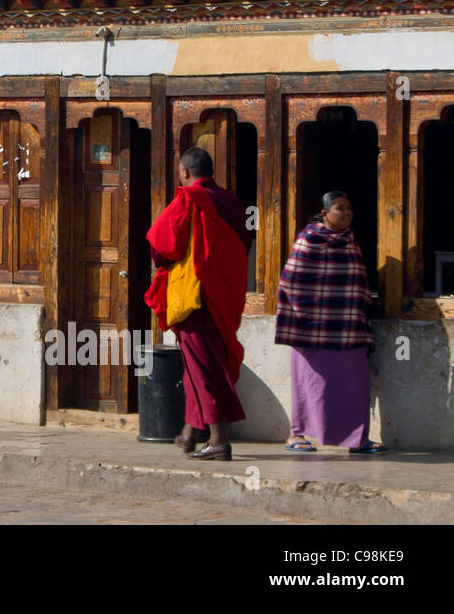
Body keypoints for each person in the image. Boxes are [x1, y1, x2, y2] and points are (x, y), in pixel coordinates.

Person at [145, 147, 253, 460]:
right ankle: (190, 432)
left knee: (204, 369)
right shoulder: (232, 203)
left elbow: (161, 246)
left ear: (185, 173)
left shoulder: (188, 200)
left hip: (196, 297)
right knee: (198, 366)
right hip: (226, 297)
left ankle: (219, 438)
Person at [276, 191, 386, 454]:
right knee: (310, 383)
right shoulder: (309, 241)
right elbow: (290, 281)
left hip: (348, 327)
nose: (347, 212)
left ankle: (357, 439)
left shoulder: (351, 243)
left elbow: (354, 283)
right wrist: (311, 313)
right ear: (325, 214)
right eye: (340, 208)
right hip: (313, 329)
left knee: (354, 383)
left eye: (349, 208)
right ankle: (297, 435)